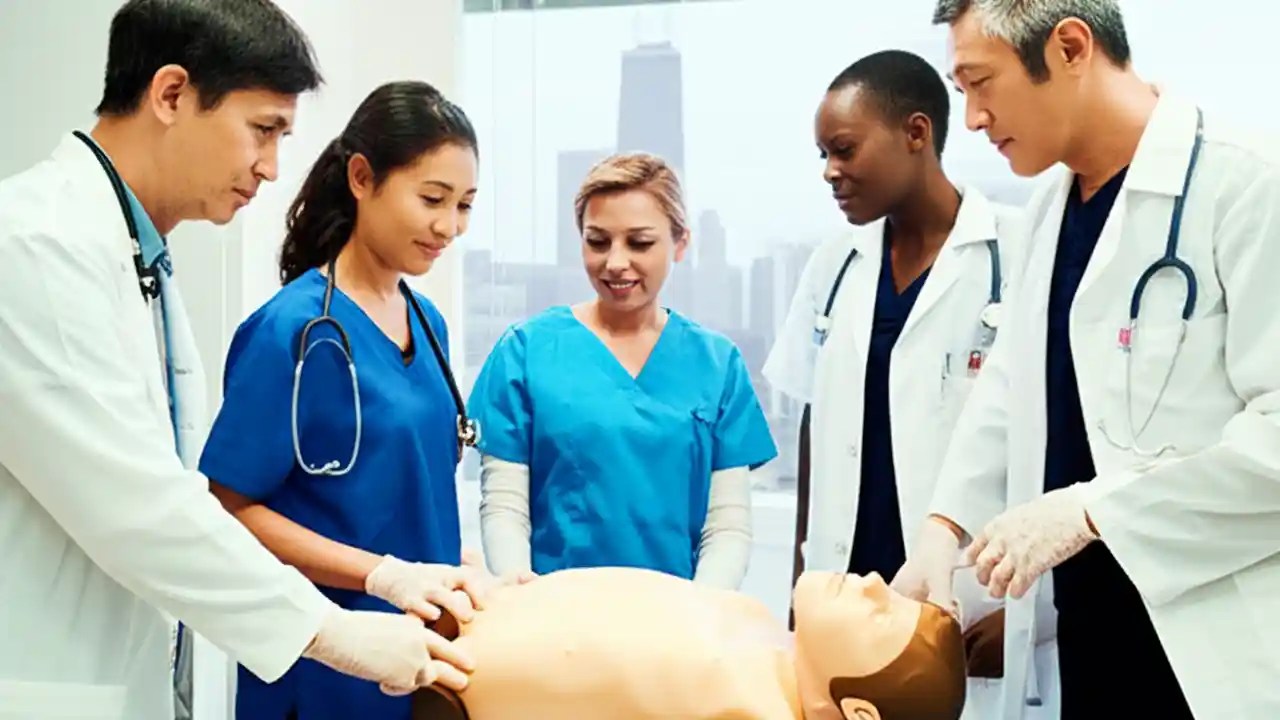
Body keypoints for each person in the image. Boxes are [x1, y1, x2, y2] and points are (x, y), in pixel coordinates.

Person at [0, 2, 465, 719]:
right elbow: (142, 508)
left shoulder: (136, 260)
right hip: (50, 680)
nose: (272, 168)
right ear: (171, 94)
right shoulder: (36, 244)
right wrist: (334, 629)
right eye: (262, 130)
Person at [892, 1, 1280, 718]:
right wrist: (940, 532)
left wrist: (1092, 511)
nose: (972, 119)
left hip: (1215, 653)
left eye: (981, 83)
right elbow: (1013, 385)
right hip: (1088, 640)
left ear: (1070, 47)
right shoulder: (1049, 208)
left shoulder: (1249, 184)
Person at [196, 80, 501, 720]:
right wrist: (380, 575)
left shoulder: (429, 325)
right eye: (432, 199)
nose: (449, 226)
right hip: (324, 669)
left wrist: (460, 564)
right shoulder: (293, 332)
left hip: (420, 667)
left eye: (465, 205)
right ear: (362, 178)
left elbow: (396, 495)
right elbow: (227, 509)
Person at [762, 50, 1026, 718]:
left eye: (844, 149)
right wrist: (801, 589)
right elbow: (814, 427)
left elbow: (1055, 442)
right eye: (823, 154)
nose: (830, 171)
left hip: (969, 598)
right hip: (846, 608)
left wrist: (1030, 613)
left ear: (916, 132)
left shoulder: (1019, 252)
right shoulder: (833, 265)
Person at [467, 152, 777, 589]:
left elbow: (727, 526)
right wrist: (521, 598)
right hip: (554, 610)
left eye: (640, 243)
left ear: (680, 243)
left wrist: (701, 610)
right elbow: (504, 506)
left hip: (676, 614)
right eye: (597, 242)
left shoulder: (717, 363)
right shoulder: (526, 350)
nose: (615, 262)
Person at [408, 566, 967, 720]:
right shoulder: (766, 636)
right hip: (472, 622)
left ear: (859, 713)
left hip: (456, 686)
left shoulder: (754, 707)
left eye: (881, 616)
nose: (875, 582)